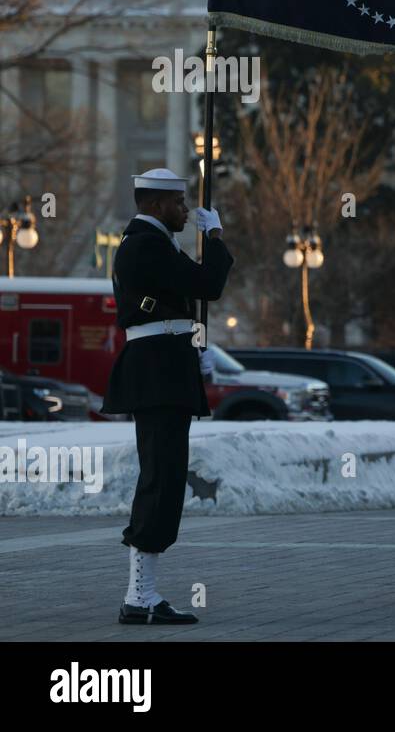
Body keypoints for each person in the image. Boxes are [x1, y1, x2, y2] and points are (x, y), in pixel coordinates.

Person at [106, 168, 234, 625]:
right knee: (161, 478)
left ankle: (142, 595)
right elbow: (208, 286)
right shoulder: (145, 243)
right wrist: (215, 237)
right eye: (179, 202)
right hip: (158, 372)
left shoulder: (152, 243)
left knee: (164, 476)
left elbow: (175, 304)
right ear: (157, 204)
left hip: (166, 365)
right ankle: (140, 597)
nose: (186, 210)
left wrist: (194, 343)